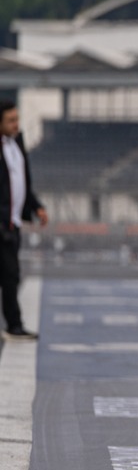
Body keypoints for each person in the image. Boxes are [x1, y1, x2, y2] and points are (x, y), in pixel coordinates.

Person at [0, 101, 47, 339]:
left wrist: (36, 206)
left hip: (13, 223)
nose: (16, 124)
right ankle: (14, 324)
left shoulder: (17, 144)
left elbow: (23, 182)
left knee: (11, 275)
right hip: (2, 223)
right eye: (10, 120)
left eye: (17, 119)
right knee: (10, 273)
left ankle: (14, 325)